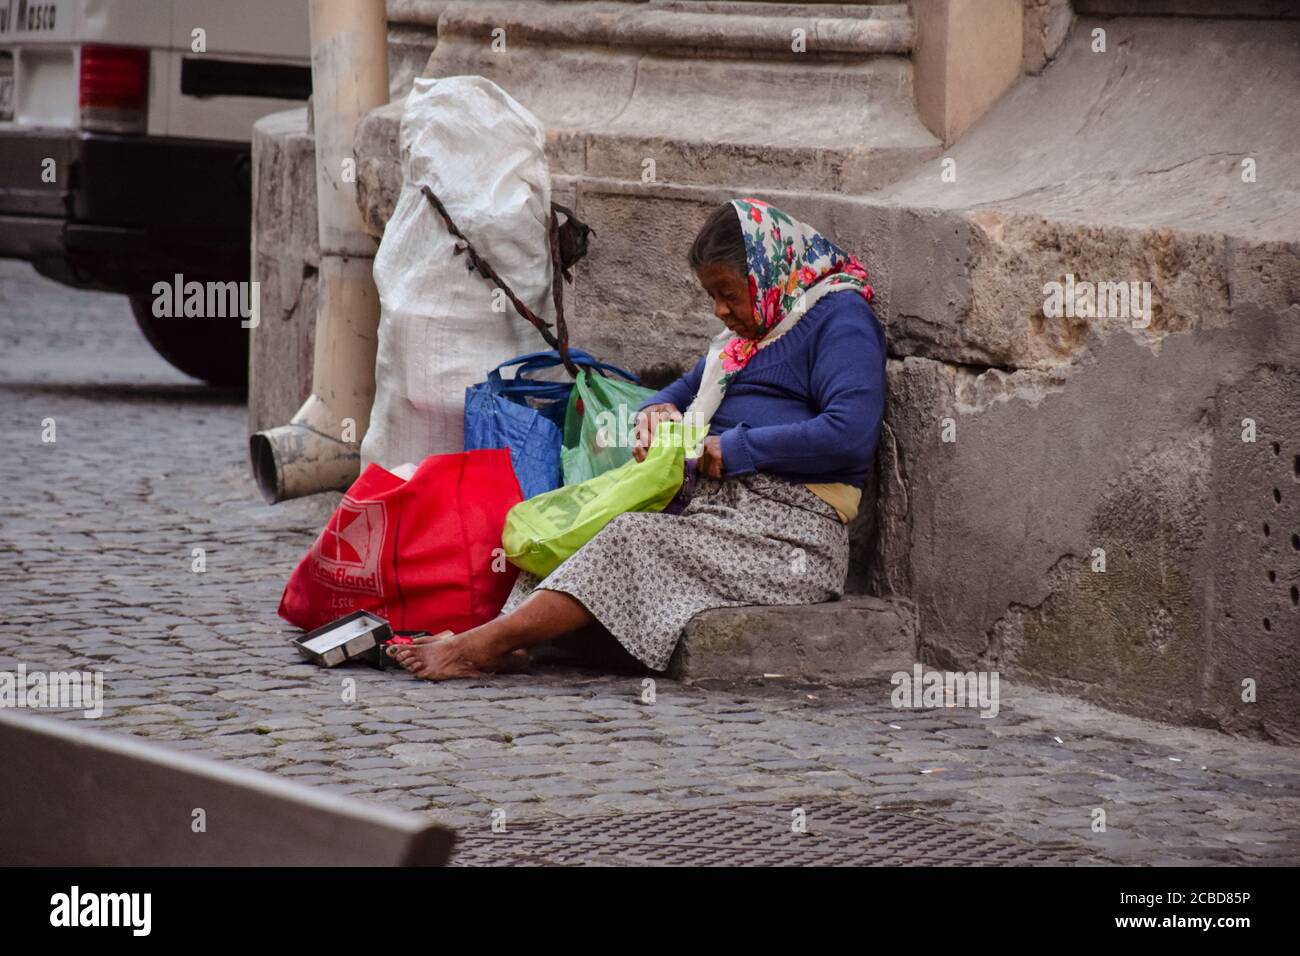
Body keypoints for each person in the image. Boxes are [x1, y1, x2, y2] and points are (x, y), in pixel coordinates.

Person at [389, 197, 887, 680]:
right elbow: (682, 388)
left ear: (769, 271)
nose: (719, 310)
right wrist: (657, 410)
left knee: (631, 538)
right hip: (719, 510)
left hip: (790, 535)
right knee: (579, 527)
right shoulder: (755, 332)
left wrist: (735, 449)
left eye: (729, 293)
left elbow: (849, 433)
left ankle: (480, 646)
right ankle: (508, 639)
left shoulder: (839, 319)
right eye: (711, 295)